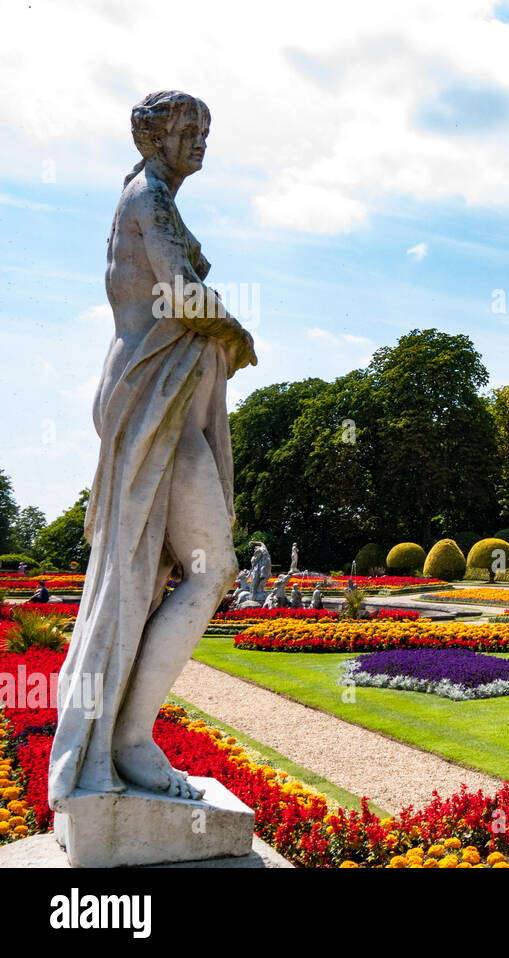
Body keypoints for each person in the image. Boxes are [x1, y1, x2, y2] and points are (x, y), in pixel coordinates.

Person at [48, 91, 257, 807]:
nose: (200, 140)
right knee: (164, 573)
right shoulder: (147, 198)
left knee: (196, 568)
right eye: (187, 129)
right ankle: (118, 745)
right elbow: (185, 295)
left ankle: (127, 739)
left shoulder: (153, 198)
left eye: (206, 128)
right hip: (149, 401)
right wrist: (237, 333)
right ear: (154, 137)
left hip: (160, 400)